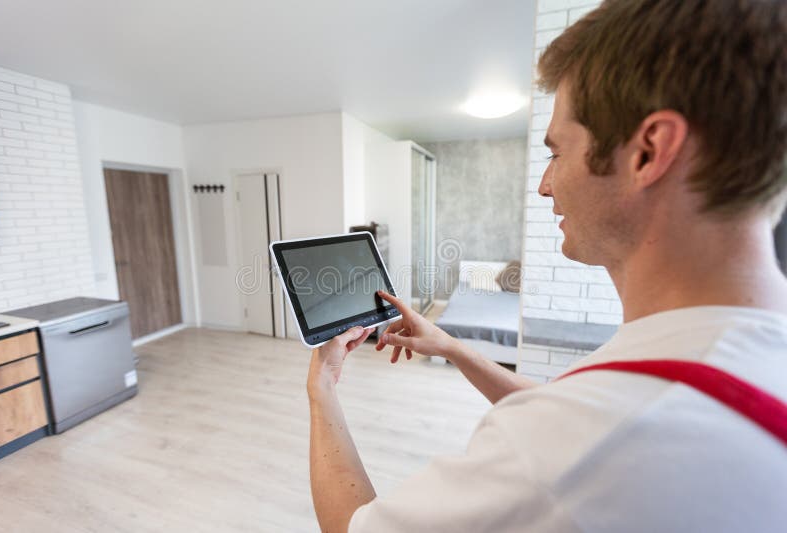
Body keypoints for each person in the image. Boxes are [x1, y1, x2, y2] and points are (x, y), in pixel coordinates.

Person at [305, 0, 787, 531]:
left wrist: (323, 386)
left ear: (649, 152)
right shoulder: (731, 354)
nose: (544, 184)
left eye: (557, 152)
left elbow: (351, 526)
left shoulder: (576, 446)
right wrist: (453, 347)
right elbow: (571, 409)